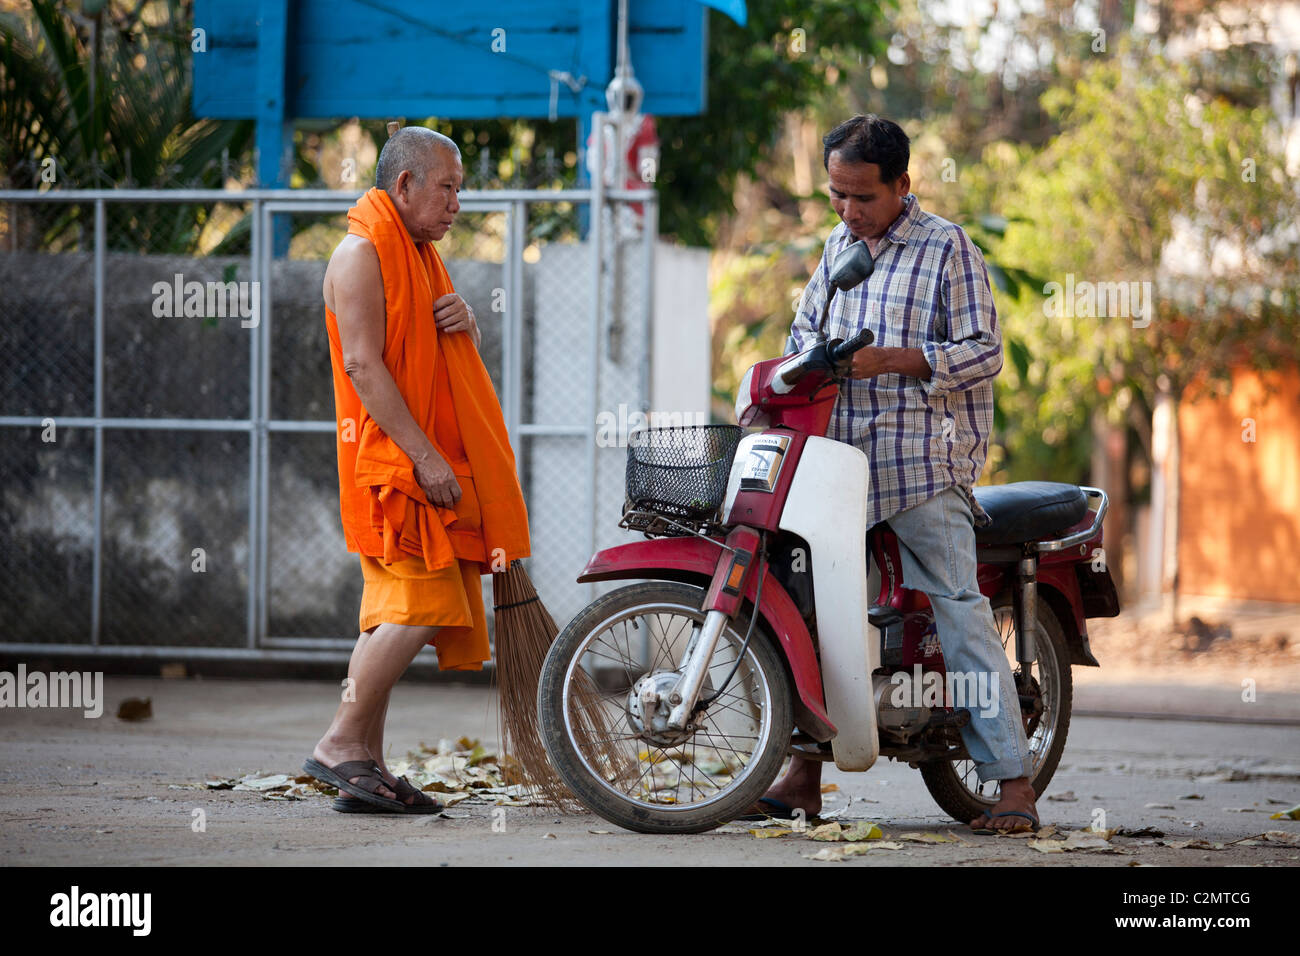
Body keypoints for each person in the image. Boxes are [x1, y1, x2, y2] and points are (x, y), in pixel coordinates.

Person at [753, 114, 1039, 834]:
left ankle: (1013, 784)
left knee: (960, 611)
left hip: (919, 466)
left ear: (902, 185)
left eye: (864, 198)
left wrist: (901, 359)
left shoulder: (948, 248)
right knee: (812, 611)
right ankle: (805, 774)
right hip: (837, 464)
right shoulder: (837, 248)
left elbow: (984, 352)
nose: (850, 212)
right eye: (838, 196)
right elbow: (801, 339)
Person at [305, 126, 530, 814]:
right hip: (394, 464)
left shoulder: (420, 258)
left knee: (390, 617)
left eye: (459, 189)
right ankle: (339, 742)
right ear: (403, 185)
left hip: (418, 460)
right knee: (427, 603)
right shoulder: (362, 254)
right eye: (448, 187)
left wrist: (466, 327)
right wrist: (426, 458)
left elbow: (434, 363)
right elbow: (365, 365)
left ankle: (366, 767)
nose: (458, 203)